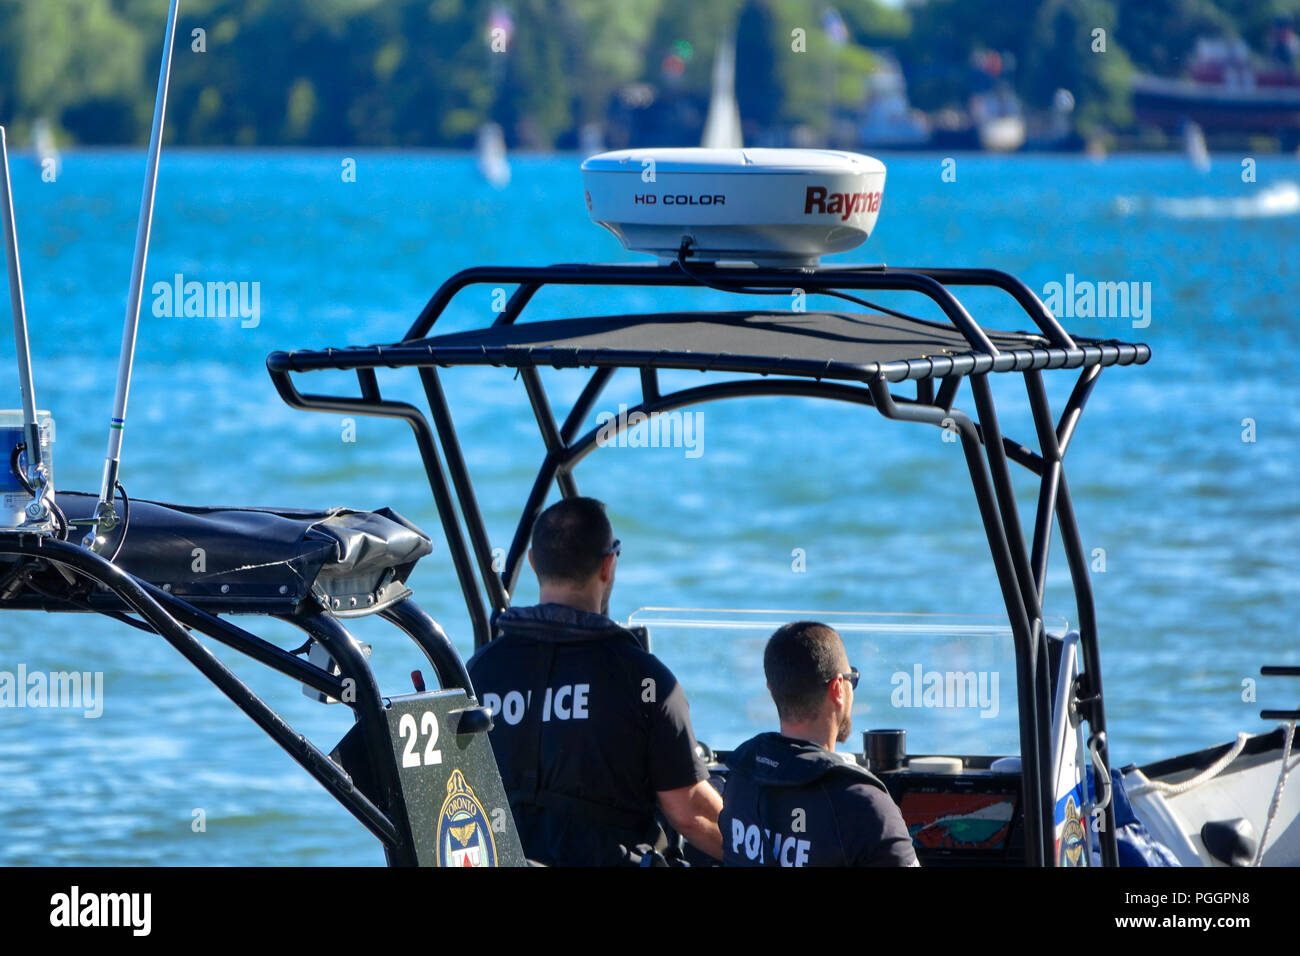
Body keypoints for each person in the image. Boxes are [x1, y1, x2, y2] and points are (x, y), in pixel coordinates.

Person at [467, 496, 722, 866]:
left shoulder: (477, 671)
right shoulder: (645, 680)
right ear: (608, 564)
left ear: (535, 563)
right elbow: (689, 814)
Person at [720, 621, 919, 867]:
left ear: (772, 690)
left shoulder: (741, 780)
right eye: (851, 679)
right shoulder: (865, 807)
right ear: (837, 688)